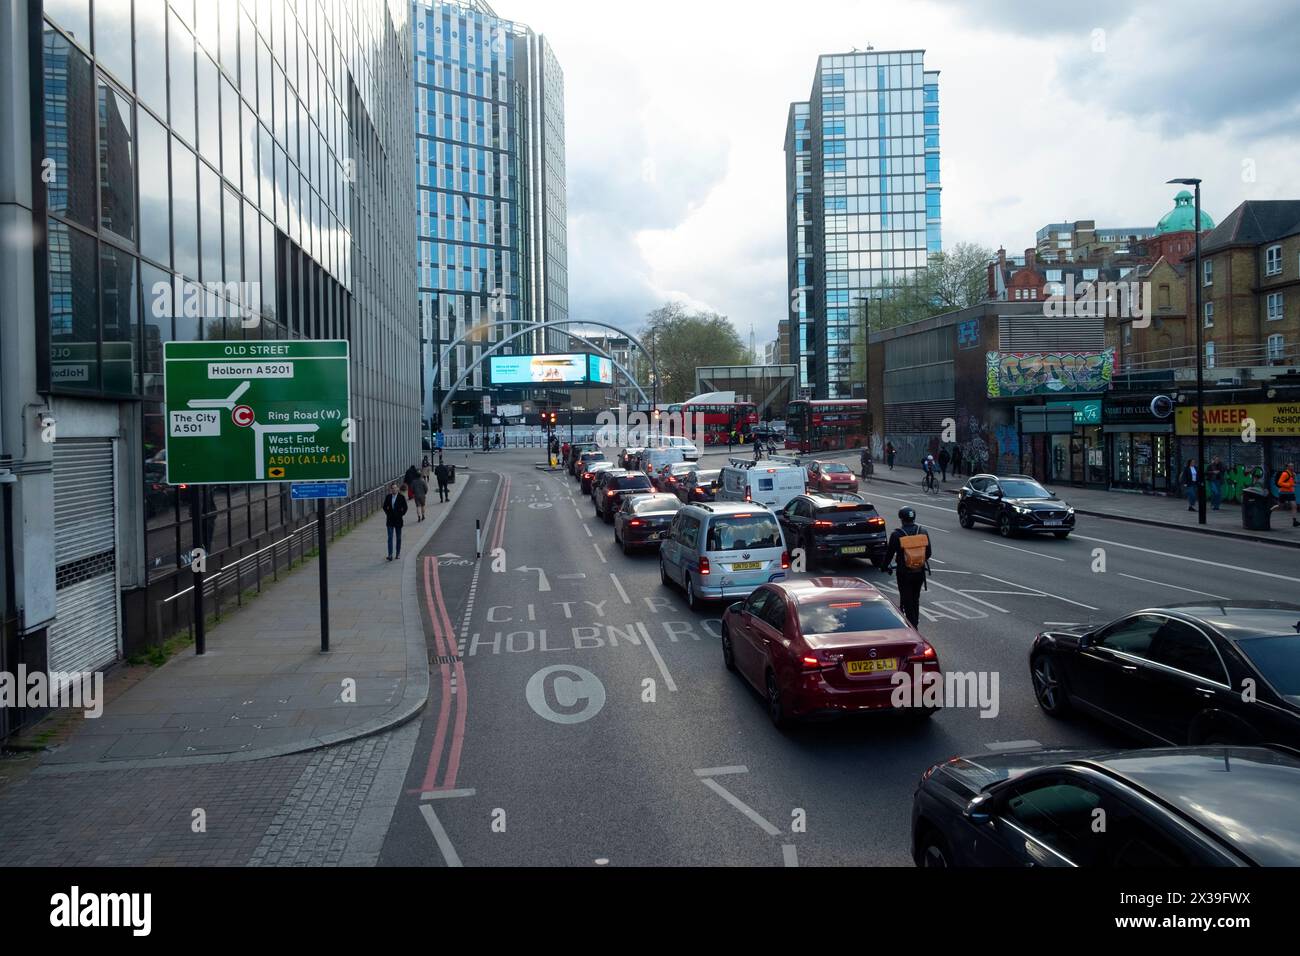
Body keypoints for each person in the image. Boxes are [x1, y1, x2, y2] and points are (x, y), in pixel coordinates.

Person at [884, 507, 931, 629]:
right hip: (919, 572)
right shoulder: (923, 531)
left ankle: (912, 626)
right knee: (915, 599)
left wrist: (884, 566)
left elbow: (889, 554)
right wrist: (917, 560)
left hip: (904, 573)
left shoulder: (897, 534)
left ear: (901, 519)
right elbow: (929, 553)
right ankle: (915, 621)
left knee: (906, 599)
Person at [382, 483, 408, 561]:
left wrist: (401, 514)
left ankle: (398, 553)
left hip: (398, 520)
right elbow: (384, 507)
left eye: (395, 488)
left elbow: (405, 507)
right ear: (391, 489)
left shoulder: (401, 497)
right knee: (390, 537)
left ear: (397, 489)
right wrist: (388, 513)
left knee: (398, 537)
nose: (394, 489)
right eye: (392, 488)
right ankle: (390, 554)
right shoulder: (388, 497)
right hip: (390, 520)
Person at [1274, 462, 1298, 527]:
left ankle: (1294, 521)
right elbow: (1279, 483)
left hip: (1290, 492)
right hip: (1283, 492)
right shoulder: (1285, 474)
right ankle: (1269, 510)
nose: (1292, 467)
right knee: (1280, 506)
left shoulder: (1293, 474)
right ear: (1287, 467)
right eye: (1291, 466)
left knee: (1294, 506)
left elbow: (1294, 482)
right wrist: (1289, 485)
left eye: (1293, 466)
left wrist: (1294, 480)